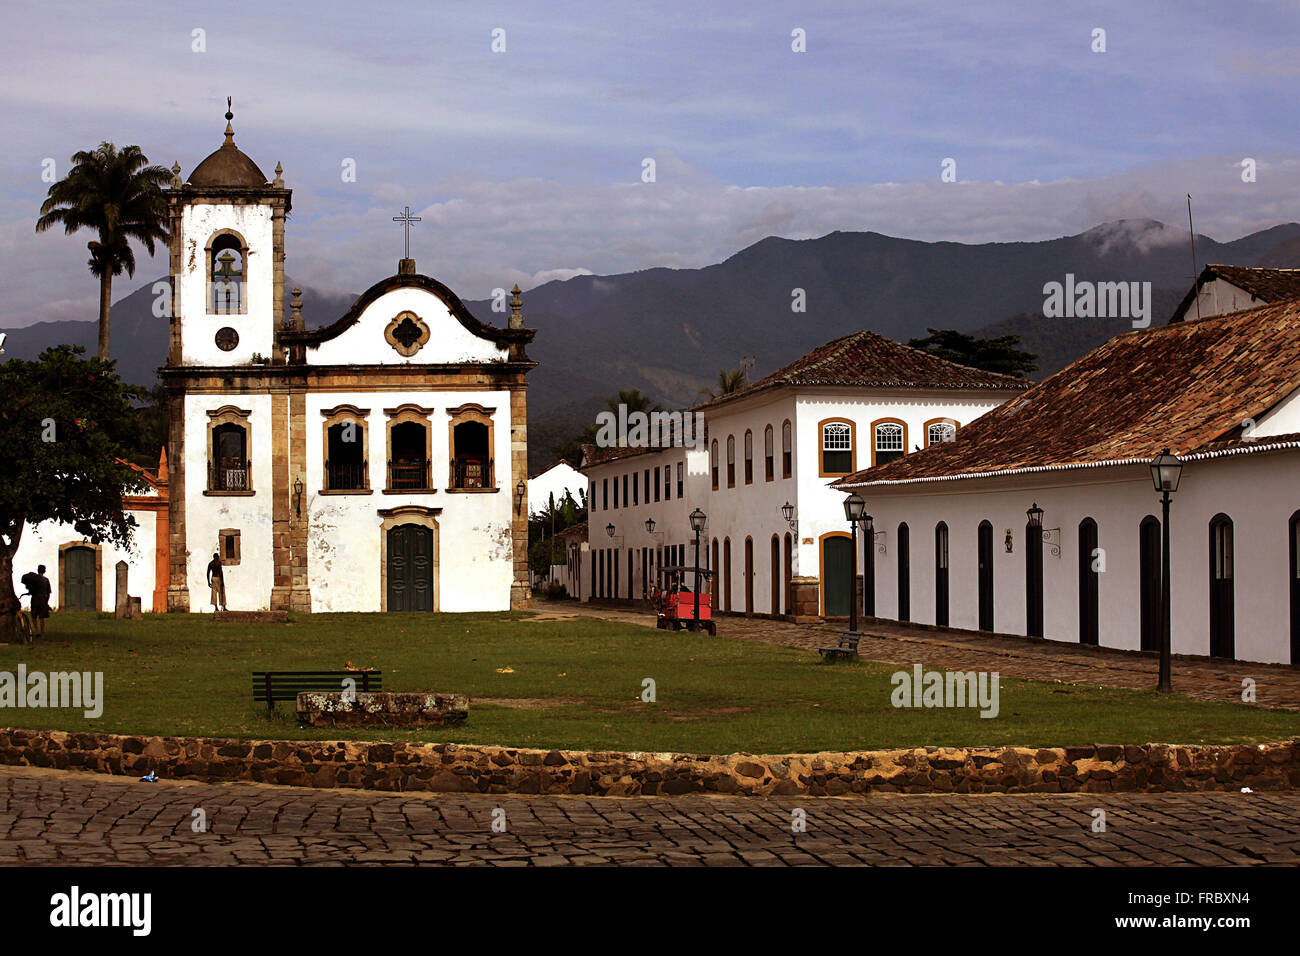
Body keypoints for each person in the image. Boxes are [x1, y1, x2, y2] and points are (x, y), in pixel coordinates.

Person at [20, 565, 52, 638]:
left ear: (38, 570)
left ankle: (37, 630)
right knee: (41, 617)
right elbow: (48, 593)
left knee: (34, 616)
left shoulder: (34, 579)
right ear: (44, 571)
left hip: (34, 599)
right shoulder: (46, 580)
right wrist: (46, 602)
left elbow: (31, 588)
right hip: (42, 600)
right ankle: (42, 633)